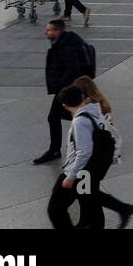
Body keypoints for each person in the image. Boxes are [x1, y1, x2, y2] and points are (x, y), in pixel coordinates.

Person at [68, 76, 133, 227]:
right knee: (85, 191)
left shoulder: (90, 110)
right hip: (98, 160)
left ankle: (121, 209)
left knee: (88, 193)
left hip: (92, 160)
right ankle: (87, 219)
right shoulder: (99, 105)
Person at [47, 85, 114, 230]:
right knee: (92, 205)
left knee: (55, 208)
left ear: (65, 105)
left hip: (79, 171)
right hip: (92, 169)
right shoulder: (95, 111)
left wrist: (70, 176)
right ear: (83, 97)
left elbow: (84, 152)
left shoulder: (80, 121)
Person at [34, 18, 89, 165]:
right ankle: (94, 130)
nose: (46, 32)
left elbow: (72, 68)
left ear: (58, 31)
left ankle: (55, 150)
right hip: (67, 88)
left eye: (49, 30)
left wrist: (62, 87)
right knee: (65, 116)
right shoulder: (62, 43)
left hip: (67, 89)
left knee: (54, 117)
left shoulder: (66, 47)